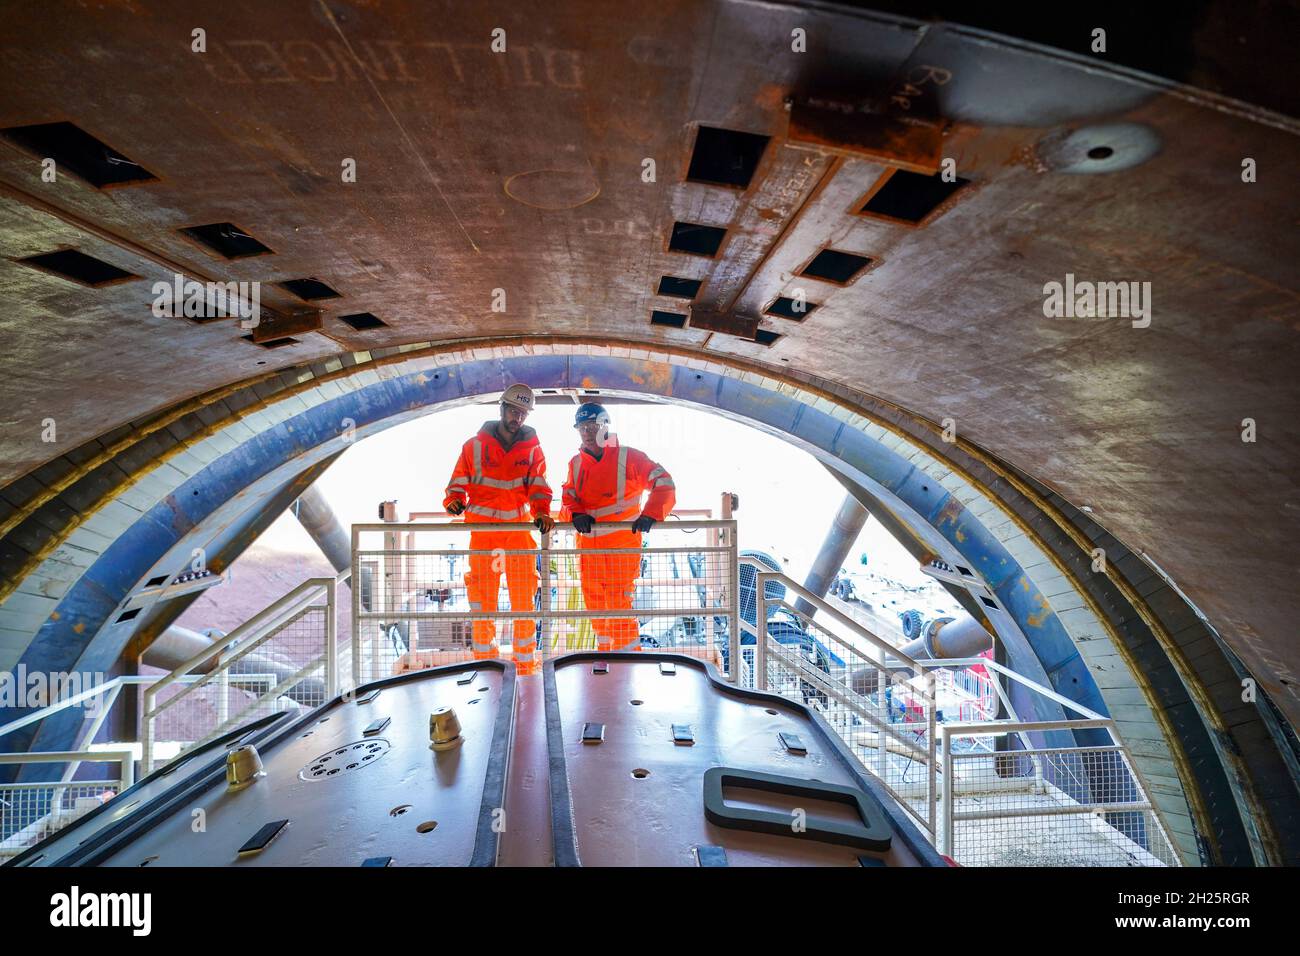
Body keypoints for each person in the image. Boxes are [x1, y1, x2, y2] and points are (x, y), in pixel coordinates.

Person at [443, 384, 554, 675]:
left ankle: (525, 668)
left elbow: (539, 488)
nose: (517, 417)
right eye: (513, 410)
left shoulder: (533, 450)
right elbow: (457, 483)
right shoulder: (473, 446)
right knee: (482, 606)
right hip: (483, 535)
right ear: (501, 408)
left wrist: (542, 512)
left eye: (523, 413)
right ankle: (487, 666)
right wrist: (455, 500)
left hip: (517, 534)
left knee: (523, 606)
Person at [560, 403, 675, 652]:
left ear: (606, 426)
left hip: (621, 548)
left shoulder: (629, 458)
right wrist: (575, 513)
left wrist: (651, 514)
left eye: (593, 426)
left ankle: (628, 664)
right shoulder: (575, 464)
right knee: (596, 607)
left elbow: (664, 482)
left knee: (619, 605)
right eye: (583, 428)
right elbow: (567, 499)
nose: (588, 433)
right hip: (589, 550)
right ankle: (604, 661)